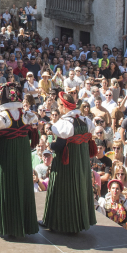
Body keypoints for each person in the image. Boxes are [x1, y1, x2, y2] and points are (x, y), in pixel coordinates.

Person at [0, 83, 38, 238]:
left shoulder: (0, 117)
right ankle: (22, 223)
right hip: (22, 155)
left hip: (4, 156)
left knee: (2, 185)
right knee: (21, 184)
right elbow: (34, 121)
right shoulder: (27, 115)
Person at [41, 92, 96, 234]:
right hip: (82, 163)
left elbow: (59, 145)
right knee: (78, 190)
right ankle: (77, 223)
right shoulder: (85, 120)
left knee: (61, 191)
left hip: (66, 165)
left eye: (60, 106)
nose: (58, 109)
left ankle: (59, 223)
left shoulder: (64, 124)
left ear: (65, 107)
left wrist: (49, 146)